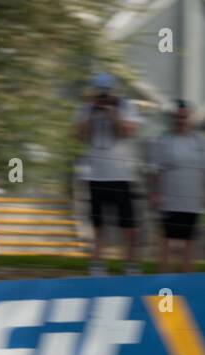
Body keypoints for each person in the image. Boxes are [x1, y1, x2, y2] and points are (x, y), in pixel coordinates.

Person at [75, 73, 142, 276]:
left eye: (107, 91)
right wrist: (92, 113)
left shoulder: (126, 106)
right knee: (98, 224)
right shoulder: (87, 108)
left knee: (128, 225)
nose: (103, 95)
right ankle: (97, 263)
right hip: (96, 174)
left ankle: (130, 264)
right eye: (100, 91)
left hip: (121, 174)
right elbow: (80, 136)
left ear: (114, 91)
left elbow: (127, 132)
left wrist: (112, 111)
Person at [150, 100, 205, 274]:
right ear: (173, 118)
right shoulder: (164, 141)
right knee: (166, 241)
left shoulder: (201, 141)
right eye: (178, 117)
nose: (181, 120)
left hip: (192, 201)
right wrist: (155, 193)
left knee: (189, 243)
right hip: (170, 200)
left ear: (190, 118)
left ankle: (188, 282)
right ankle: (163, 281)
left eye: (184, 116)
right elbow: (155, 169)